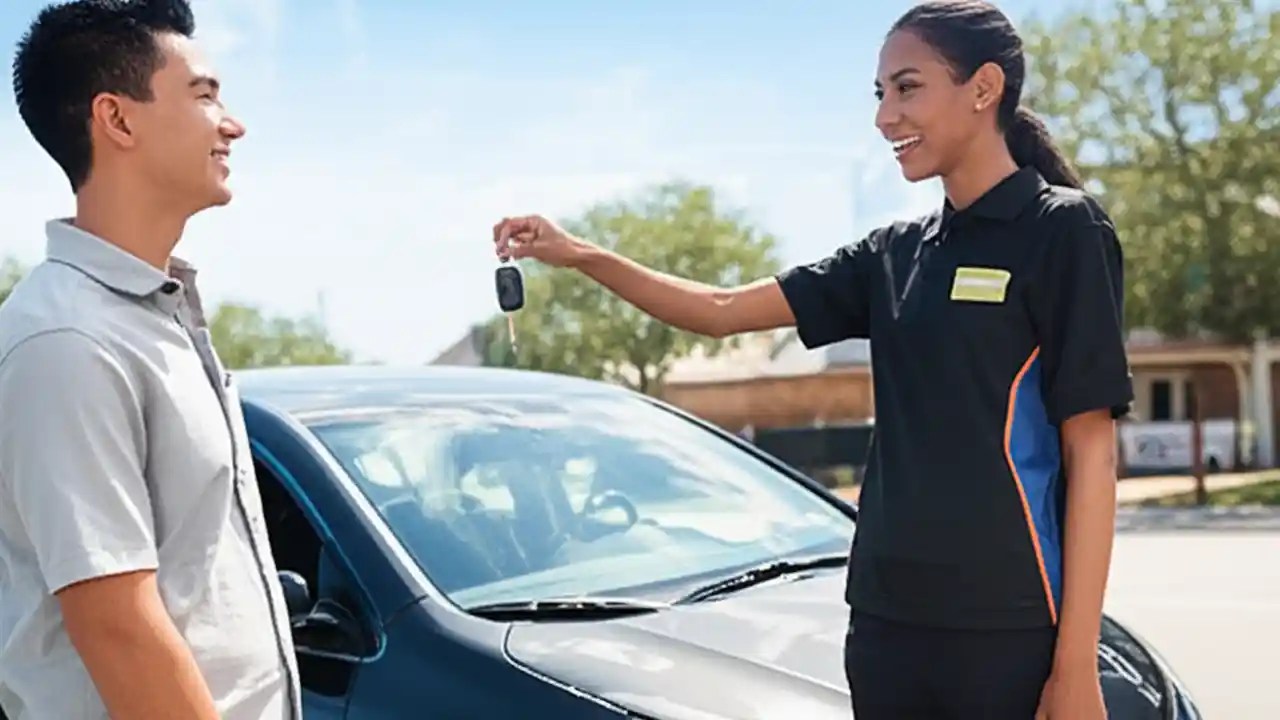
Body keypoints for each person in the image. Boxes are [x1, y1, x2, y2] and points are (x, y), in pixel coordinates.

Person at [492, 1, 1132, 717]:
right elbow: (719, 311)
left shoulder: (1062, 230)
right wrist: (580, 254)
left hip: (1005, 629)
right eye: (880, 94)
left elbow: (1092, 453)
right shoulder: (891, 255)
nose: (885, 117)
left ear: (984, 88)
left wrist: (1074, 665)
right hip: (885, 625)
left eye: (908, 88)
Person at [0, 1, 300, 718]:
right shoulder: (66, 340)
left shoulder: (153, 316)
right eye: (204, 95)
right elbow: (119, 629)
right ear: (118, 119)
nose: (232, 124)